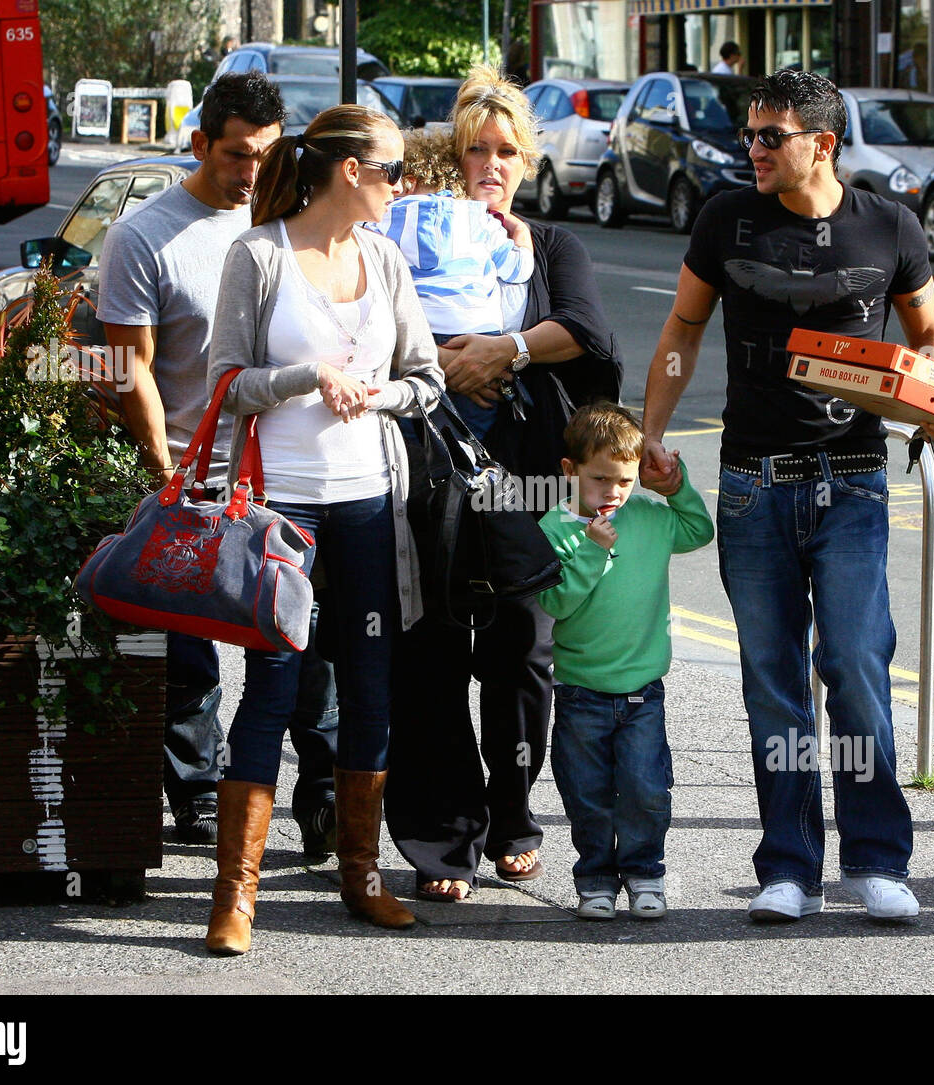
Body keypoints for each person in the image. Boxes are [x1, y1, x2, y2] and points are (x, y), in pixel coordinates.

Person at [640, 69, 934, 923]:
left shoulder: (887, 225)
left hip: (853, 480)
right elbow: (682, 328)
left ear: (822, 142)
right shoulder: (725, 218)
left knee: (854, 666)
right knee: (773, 682)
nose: (753, 149)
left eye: (769, 136)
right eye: (748, 134)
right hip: (752, 485)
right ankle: (788, 866)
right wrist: (652, 430)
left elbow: (929, 336)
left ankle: (877, 860)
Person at [204, 104, 445, 952]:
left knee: (373, 685)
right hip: (281, 503)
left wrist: (378, 392)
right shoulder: (259, 254)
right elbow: (226, 382)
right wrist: (310, 376)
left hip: (371, 499)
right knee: (272, 685)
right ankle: (236, 893)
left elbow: (427, 381)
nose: (402, 186)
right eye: (392, 171)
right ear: (350, 171)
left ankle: (362, 875)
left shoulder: (384, 257)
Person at [384, 65, 623, 902]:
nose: (491, 163)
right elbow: (371, 324)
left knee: (522, 653)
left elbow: (590, 335)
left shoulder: (552, 247)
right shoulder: (409, 228)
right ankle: (445, 840)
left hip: (524, 478)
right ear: (455, 154)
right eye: (476, 149)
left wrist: (507, 349)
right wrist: (449, 362)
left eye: (507, 151)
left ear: (526, 161)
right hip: (429, 473)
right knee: (433, 653)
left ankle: (514, 816)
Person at [98, 72, 339, 857]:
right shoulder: (145, 236)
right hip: (193, 477)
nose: (253, 172)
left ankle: (325, 803)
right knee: (191, 656)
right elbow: (129, 367)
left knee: (306, 647)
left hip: (294, 476)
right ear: (200, 143)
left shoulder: (299, 226)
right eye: (238, 156)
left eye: (268, 155)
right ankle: (200, 794)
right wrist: (166, 471)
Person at [539, 404, 713, 920]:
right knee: (587, 794)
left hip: (642, 693)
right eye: (600, 480)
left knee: (645, 789)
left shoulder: (649, 518)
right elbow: (556, 603)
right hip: (579, 692)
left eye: (625, 481)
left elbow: (699, 531)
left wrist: (674, 485)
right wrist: (592, 551)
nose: (614, 492)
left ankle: (645, 872)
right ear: (570, 471)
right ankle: (594, 876)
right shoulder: (554, 529)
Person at [374, 126, 535, 439]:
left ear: (405, 179)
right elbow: (518, 269)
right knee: (474, 422)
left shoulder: (381, 219)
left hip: (418, 331)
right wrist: (522, 235)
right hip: (476, 332)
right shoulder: (477, 219)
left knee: (408, 415)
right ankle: (468, 465)